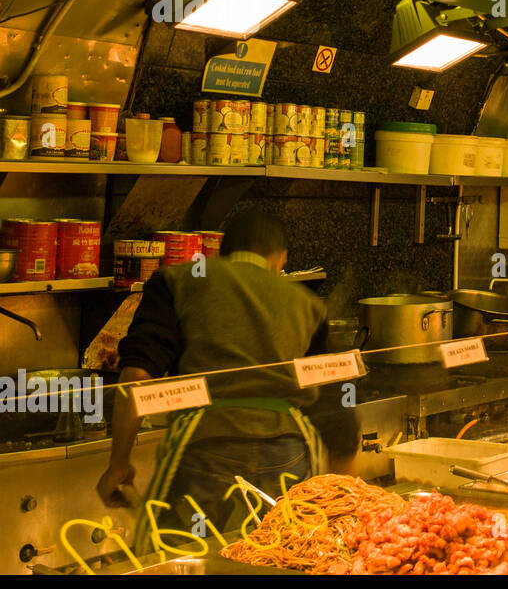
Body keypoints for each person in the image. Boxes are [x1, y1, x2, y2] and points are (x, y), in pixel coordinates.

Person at [95, 208, 358, 553]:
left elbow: (137, 376)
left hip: (206, 445)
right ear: (281, 259)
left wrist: (118, 463)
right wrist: (346, 488)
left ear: (220, 253)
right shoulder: (307, 303)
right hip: (288, 450)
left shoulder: (179, 281)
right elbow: (336, 398)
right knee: (279, 554)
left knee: (176, 555)